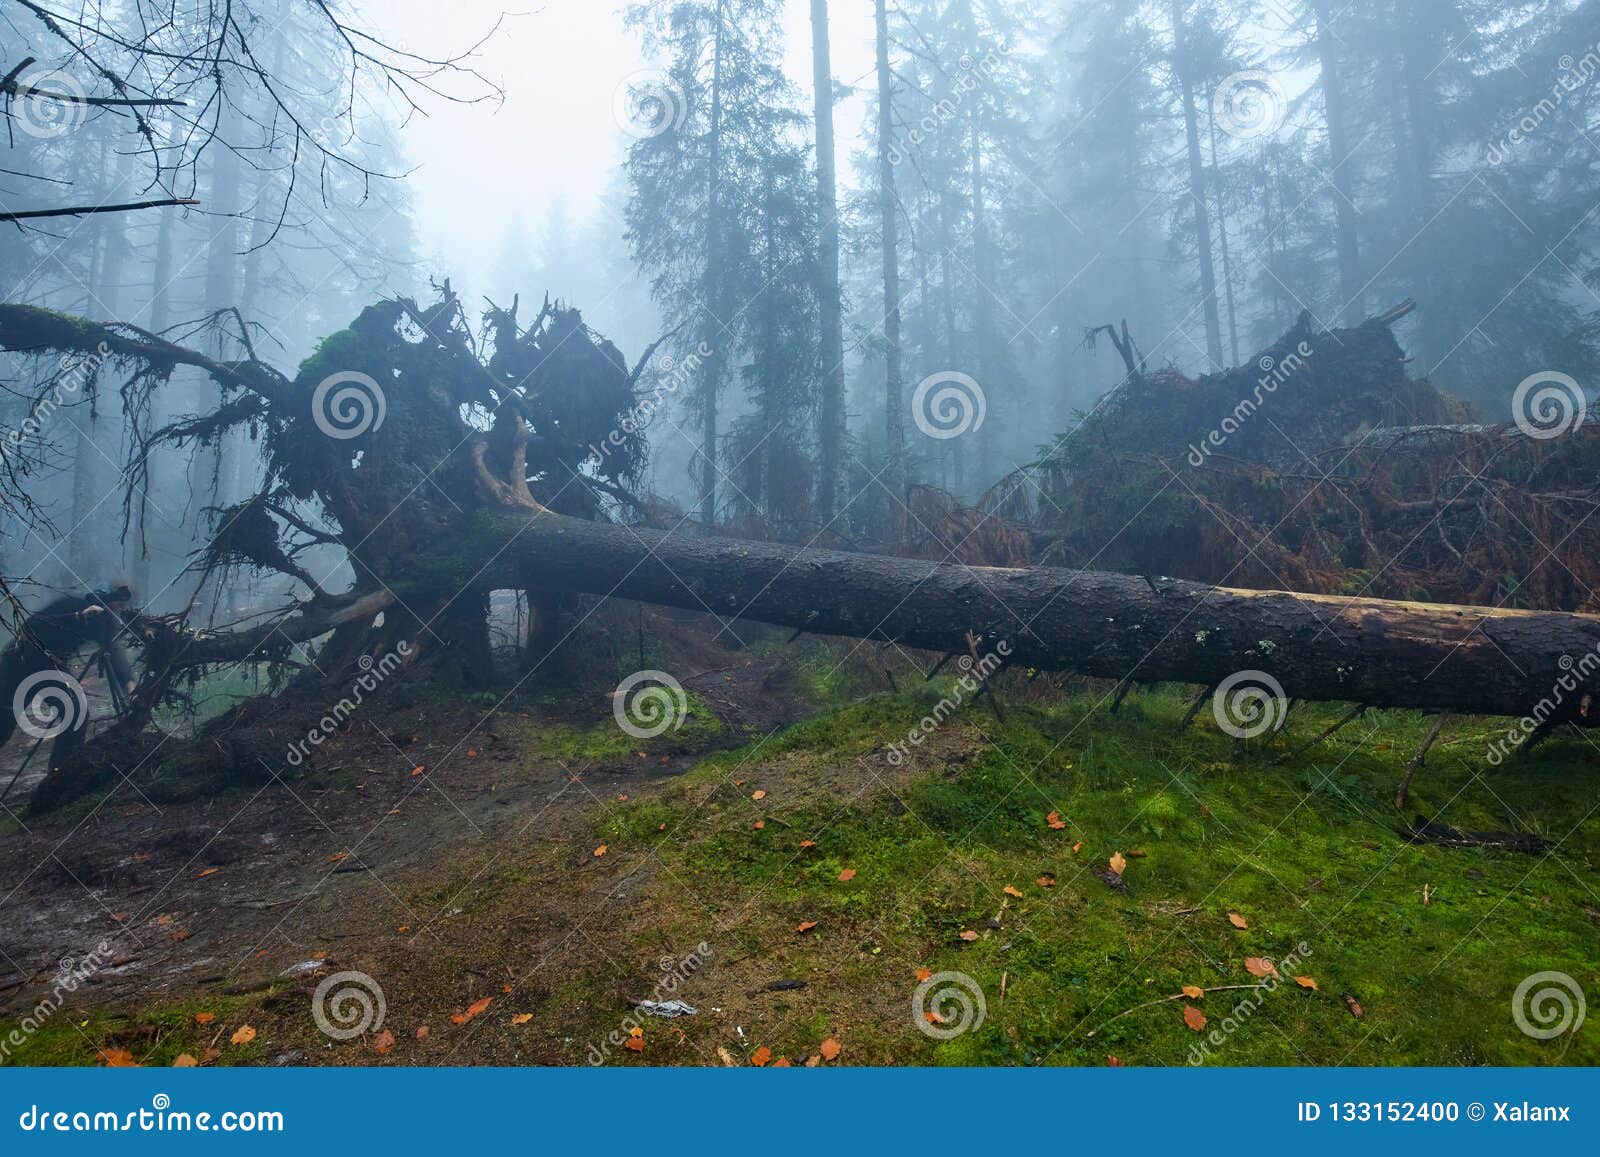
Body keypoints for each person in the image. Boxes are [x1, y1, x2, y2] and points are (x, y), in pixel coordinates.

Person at [0, 584, 138, 748]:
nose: (120, 609)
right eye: (119, 603)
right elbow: (34, 623)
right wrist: (77, 616)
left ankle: (61, 768)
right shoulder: (72, 604)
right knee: (6, 716)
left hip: (50, 666)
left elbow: (113, 649)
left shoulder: (104, 621)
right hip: (20, 660)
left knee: (75, 712)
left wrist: (128, 682)